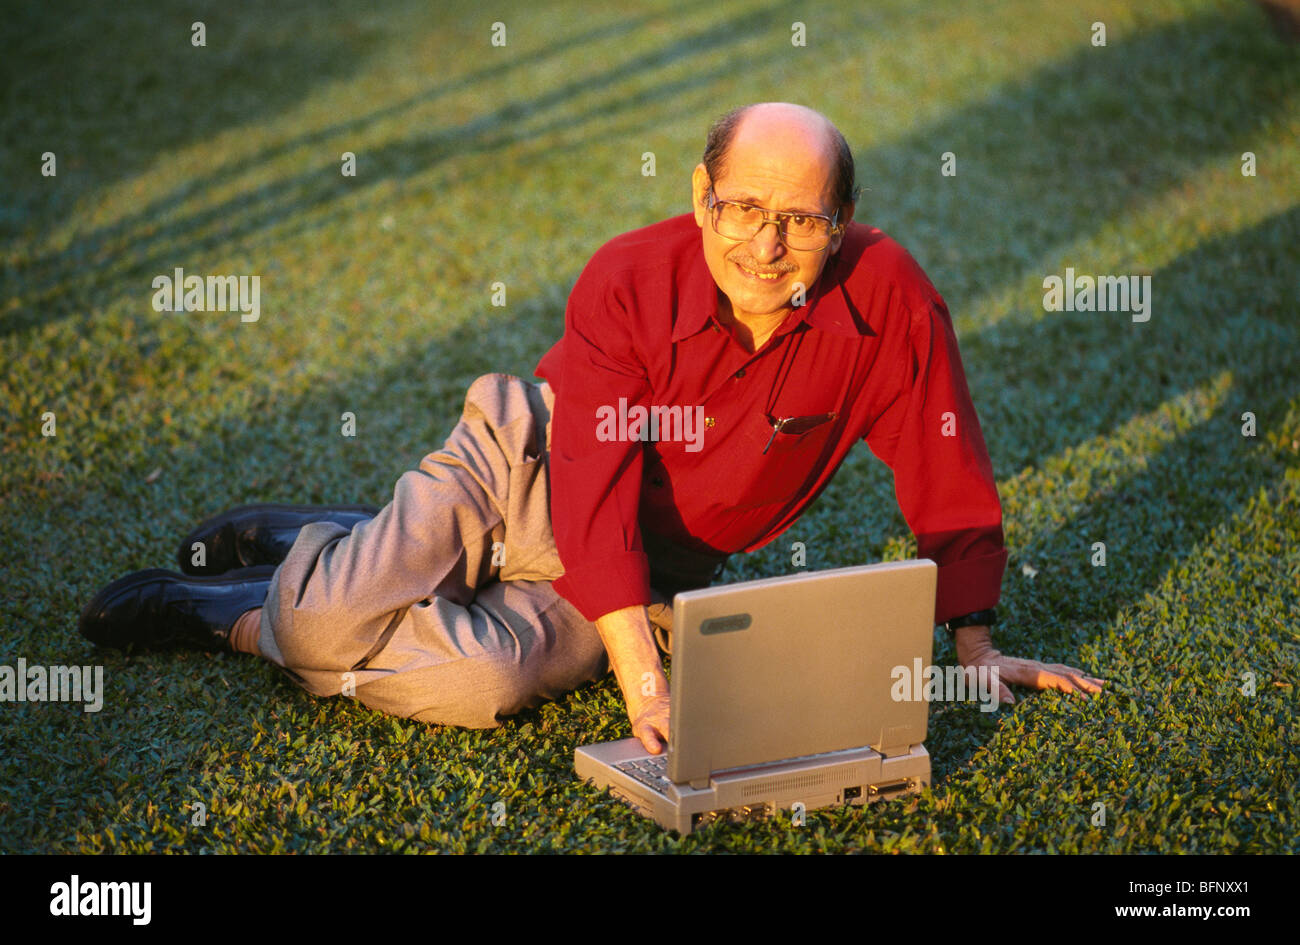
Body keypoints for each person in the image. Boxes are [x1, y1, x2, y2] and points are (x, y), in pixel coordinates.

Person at [80, 102, 1105, 754]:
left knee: (480, 679)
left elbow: (944, 460)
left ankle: (303, 577)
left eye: (802, 219)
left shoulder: (890, 300)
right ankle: (231, 601)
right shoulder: (627, 276)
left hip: (653, 566)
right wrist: (643, 682)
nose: (768, 244)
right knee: (320, 631)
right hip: (531, 465)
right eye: (745, 209)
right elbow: (597, 484)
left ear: (841, 222)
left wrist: (972, 640)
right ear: (702, 199)